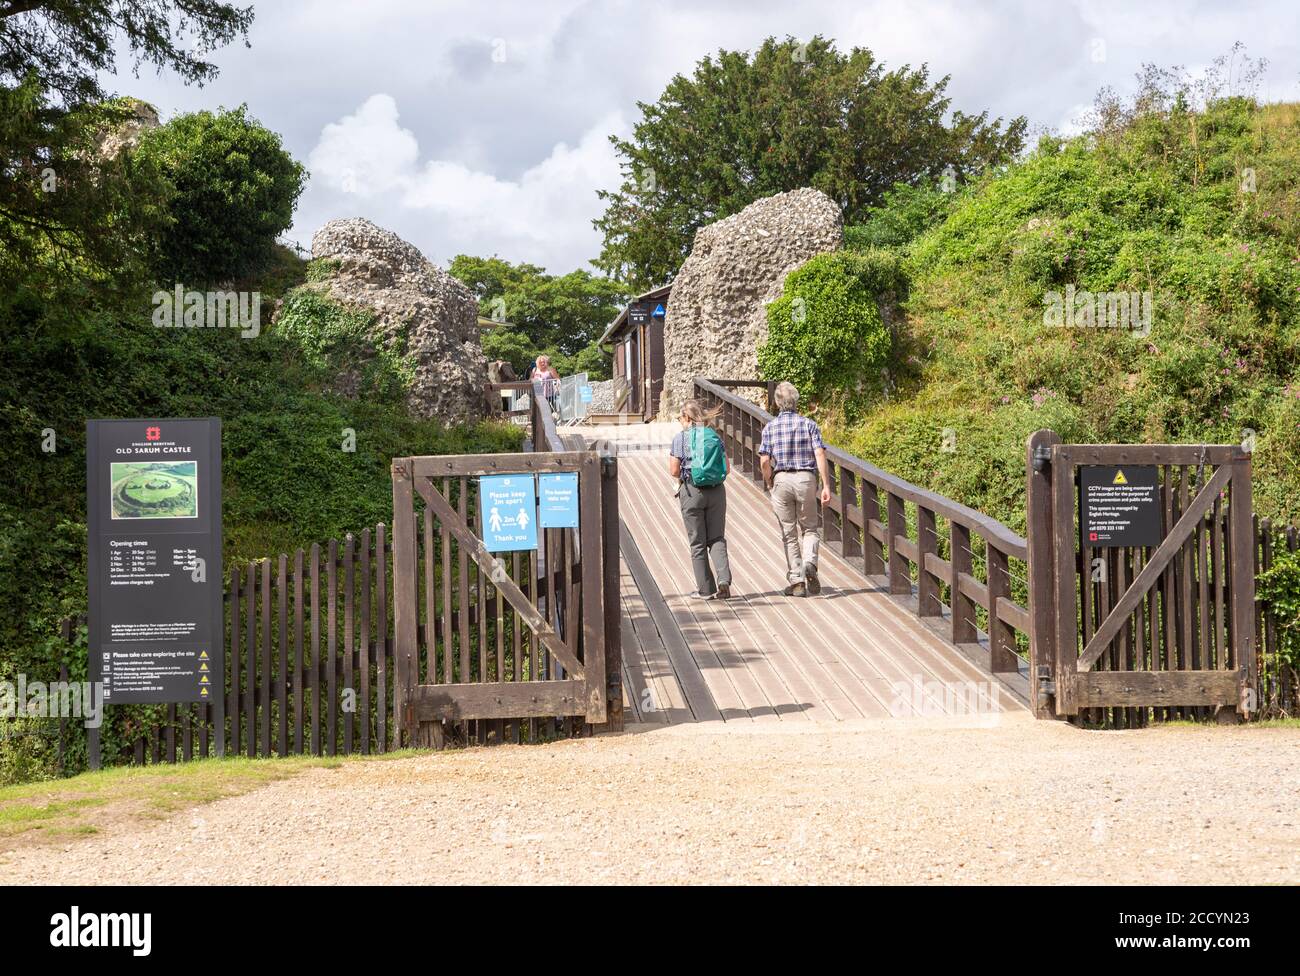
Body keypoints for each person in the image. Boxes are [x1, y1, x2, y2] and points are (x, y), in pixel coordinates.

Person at [758, 381, 832, 597]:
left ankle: (797, 581)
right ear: (796, 401)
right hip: (805, 479)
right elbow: (820, 454)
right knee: (809, 528)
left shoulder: (770, 427)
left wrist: (769, 480)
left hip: (781, 479)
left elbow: (764, 460)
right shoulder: (809, 425)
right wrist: (826, 485)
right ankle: (810, 562)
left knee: (788, 533)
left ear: (777, 403)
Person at [668, 399, 732, 600]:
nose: (680, 421)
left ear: (686, 417)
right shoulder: (713, 436)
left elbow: (674, 470)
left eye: (680, 417)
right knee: (717, 538)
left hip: (692, 492)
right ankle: (724, 581)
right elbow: (727, 468)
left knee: (697, 543)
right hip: (716, 492)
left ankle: (706, 589)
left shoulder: (680, 439)